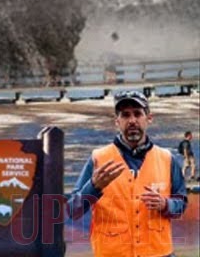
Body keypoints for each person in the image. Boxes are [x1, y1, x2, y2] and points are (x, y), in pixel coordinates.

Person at [67, 90, 186, 257]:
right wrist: (93, 188)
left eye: (137, 114)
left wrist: (166, 205)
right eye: (125, 115)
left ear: (149, 118)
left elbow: (181, 204)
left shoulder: (167, 159)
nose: (132, 120)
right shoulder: (98, 159)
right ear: (117, 121)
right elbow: (73, 210)